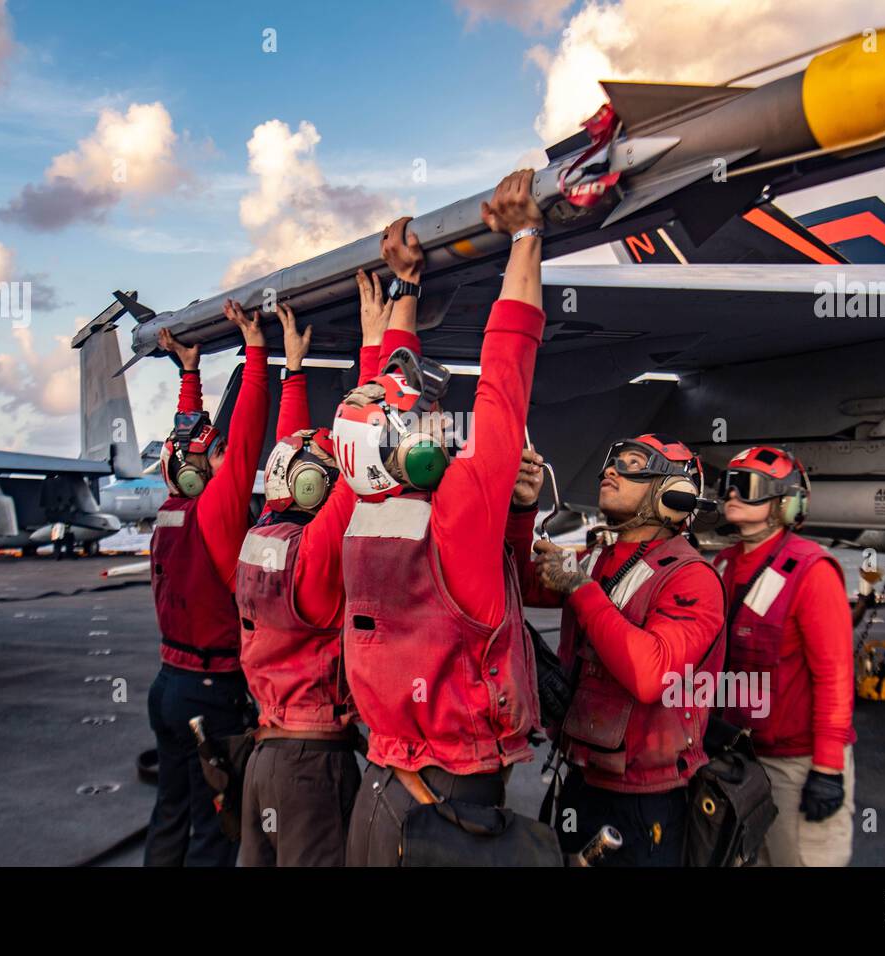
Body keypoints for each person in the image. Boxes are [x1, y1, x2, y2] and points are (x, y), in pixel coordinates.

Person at [332, 170, 547, 866]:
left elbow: (391, 391)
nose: (434, 424)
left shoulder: (361, 516)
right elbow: (505, 376)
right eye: (422, 418)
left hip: (384, 789)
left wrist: (406, 288)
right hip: (455, 806)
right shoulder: (457, 511)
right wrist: (524, 235)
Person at [235, 263, 423, 867]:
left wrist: (293, 371)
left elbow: (299, 453)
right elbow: (358, 446)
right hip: (310, 766)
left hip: (265, 757)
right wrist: (377, 348)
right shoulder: (315, 558)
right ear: (315, 482)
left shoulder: (264, 536)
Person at [514, 434, 726, 867]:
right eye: (613, 462)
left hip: (647, 801)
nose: (610, 470)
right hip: (581, 783)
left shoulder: (692, 578)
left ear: (674, 494)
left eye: (632, 463)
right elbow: (516, 581)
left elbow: (652, 675)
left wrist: (579, 587)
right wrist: (522, 510)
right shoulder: (599, 557)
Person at [143, 301, 269, 867]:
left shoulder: (172, 509)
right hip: (212, 694)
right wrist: (259, 356)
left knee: (170, 814)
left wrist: (189, 376)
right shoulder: (217, 512)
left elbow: (188, 443)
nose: (227, 460)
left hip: (168, 686)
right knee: (215, 829)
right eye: (217, 457)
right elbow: (244, 439)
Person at [713, 445, 856, 866]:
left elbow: (835, 677)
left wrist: (828, 769)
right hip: (741, 762)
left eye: (748, 487)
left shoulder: (812, 571)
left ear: (783, 502)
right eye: (729, 487)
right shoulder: (723, 566)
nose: (733, 496)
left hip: (798, 764)